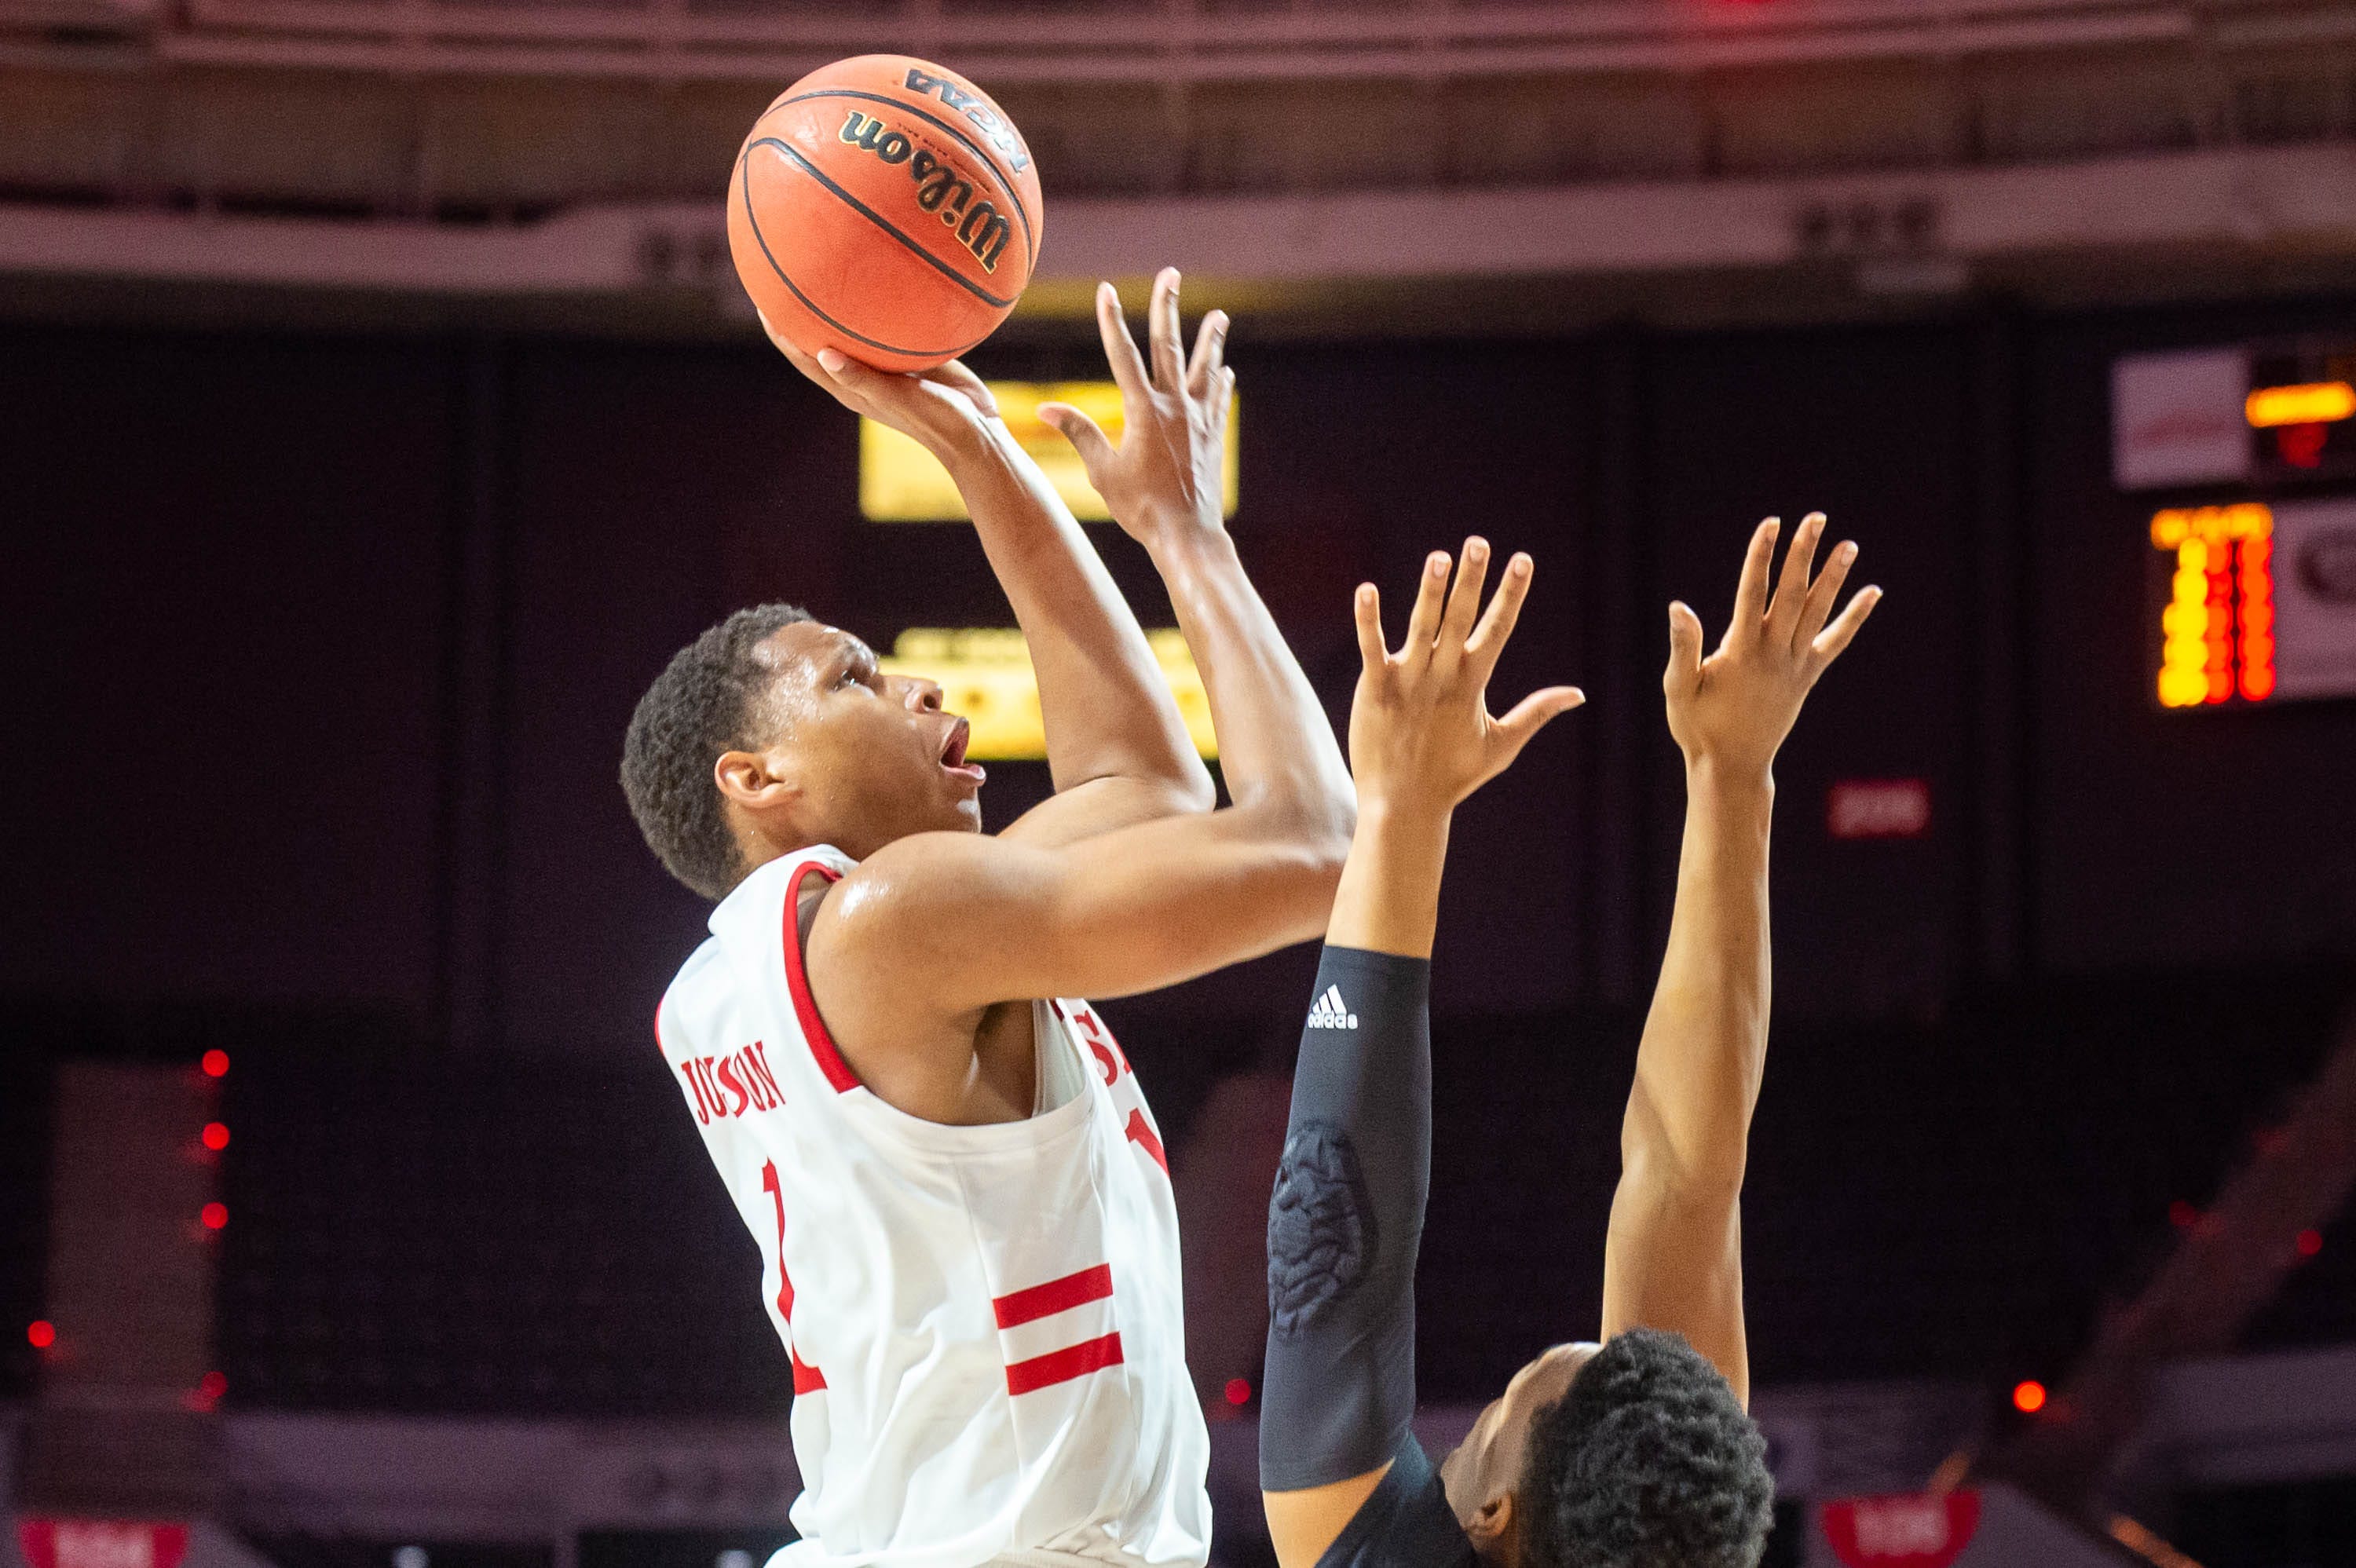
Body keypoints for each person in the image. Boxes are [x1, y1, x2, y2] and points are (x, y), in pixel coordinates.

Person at [622, 270, 1355, 1568]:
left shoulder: (811, 960)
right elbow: (1315, 845)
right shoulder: (895, 922)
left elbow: (1143, 783)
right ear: (758, 777)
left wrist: (977, 444)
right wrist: (1187, 539)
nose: (908, 684)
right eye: (852, 676)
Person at [1259, 516, 1880, 1568]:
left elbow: (1336, 1200)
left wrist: (1406, 809)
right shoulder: (1660, 1518)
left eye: (1523, 1391)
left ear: (1498, 1510)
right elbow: (1686, 1171)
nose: (1606, 1339)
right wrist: (1733, 776)